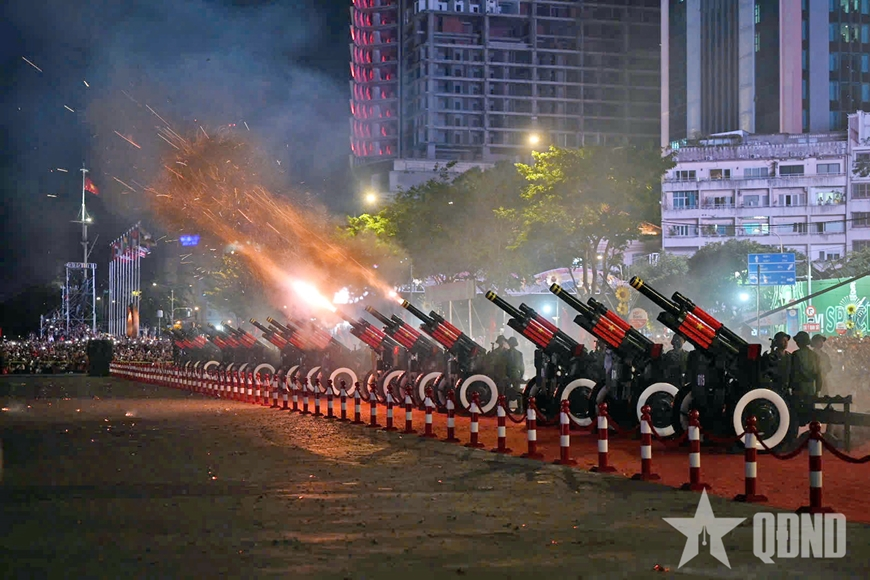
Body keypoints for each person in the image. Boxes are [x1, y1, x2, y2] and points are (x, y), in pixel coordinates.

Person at [790, 331, 821, 416]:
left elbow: (793, 373)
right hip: (812, 389)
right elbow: (818, 374)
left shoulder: (795, 354)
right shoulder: (815, 356)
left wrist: (791, 387)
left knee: (796, 415)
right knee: (811, 414)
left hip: (799, 390)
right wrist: (818, 389)